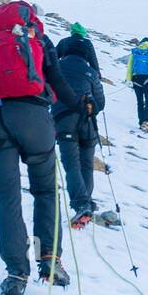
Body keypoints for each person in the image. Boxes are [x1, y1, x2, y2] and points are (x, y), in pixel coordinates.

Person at [0, 1, 80, 295]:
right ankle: (48, 259)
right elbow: (59, 82)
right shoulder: (37, 38)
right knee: (45, 192)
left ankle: (16, 273)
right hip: (34, 121)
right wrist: (79, 106)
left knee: (7, 197)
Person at [54, 37, 106, 228]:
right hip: (88, 124)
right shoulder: (90, 72)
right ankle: (85, 206)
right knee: (86, 165)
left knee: (72, 165)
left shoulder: (56, 67)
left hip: (65, 122)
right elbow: (101, 103)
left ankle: (82, 205)